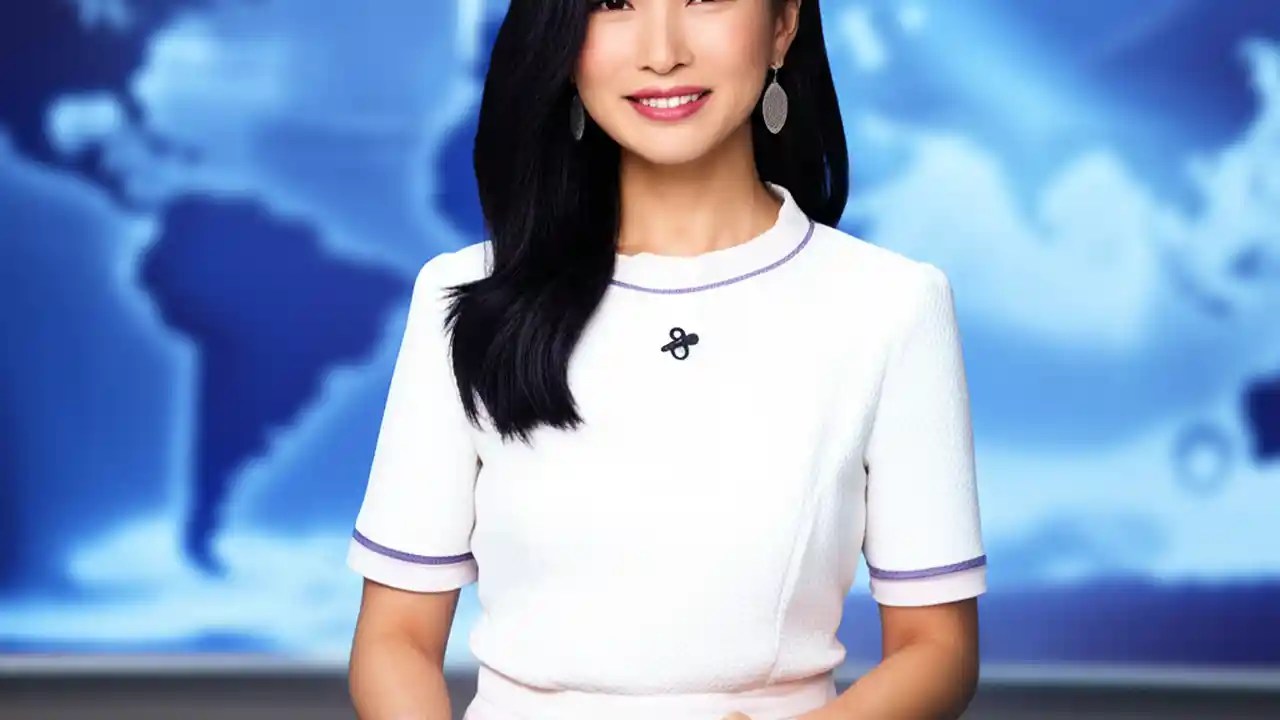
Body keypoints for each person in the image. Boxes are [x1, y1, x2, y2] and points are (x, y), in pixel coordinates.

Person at [345, 1, 987, 718]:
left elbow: (938, 647)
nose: (662, 51)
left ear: (783, 25)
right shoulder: (464, 297)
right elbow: (394, 639)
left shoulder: (892, 305)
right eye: (614, 4)